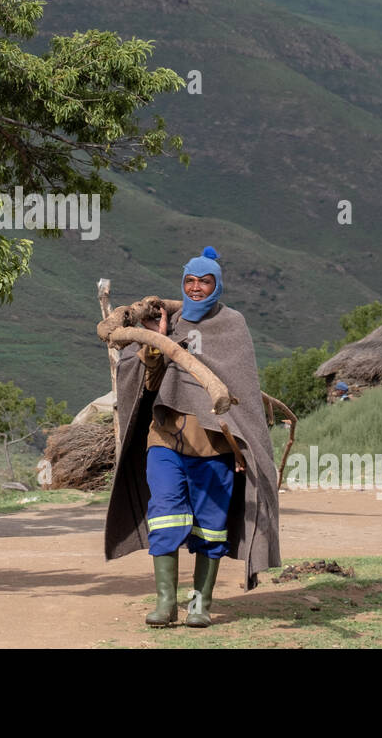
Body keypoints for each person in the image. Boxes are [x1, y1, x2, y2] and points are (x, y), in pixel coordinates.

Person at [104, 246, 282, 628]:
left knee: (211, 522)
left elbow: (243, 393)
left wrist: (243, 446)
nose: (197, 288)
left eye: (205, 282)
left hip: (214, 445)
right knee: (164, 514)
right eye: (190, 281)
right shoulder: (169, 319)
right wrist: (157, 343)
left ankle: (200, 604)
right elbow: (147, 384)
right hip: (165, 438)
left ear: (217, 285)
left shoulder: (233, 324)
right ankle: (166, 603)